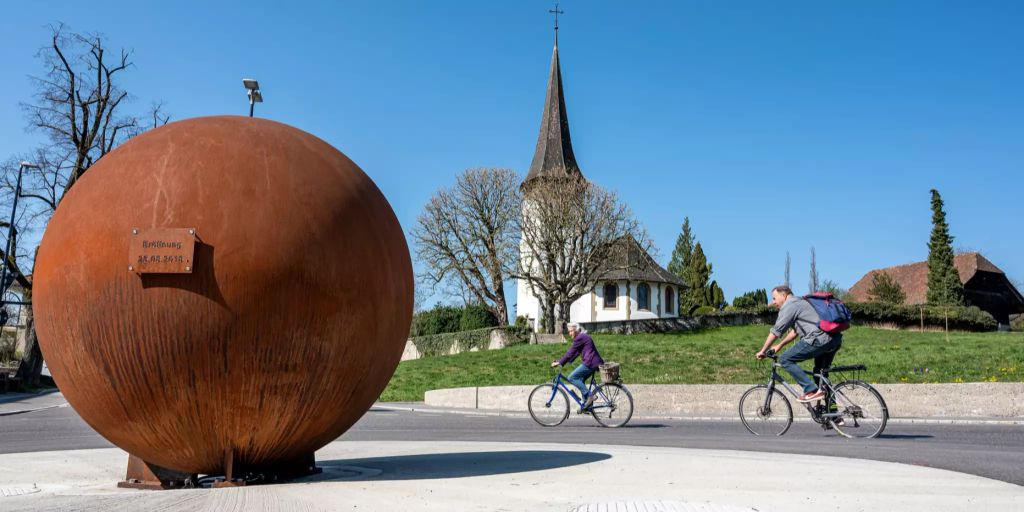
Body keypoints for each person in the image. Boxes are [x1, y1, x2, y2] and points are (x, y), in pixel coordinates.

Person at [756, 285, 842, 402]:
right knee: (820, 375)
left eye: (774, 298)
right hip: (833, 339)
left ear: (784, 295)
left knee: (785, 359)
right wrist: (779, 345)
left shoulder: (790, 305)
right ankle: (834, 416)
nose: (773, 302)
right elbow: (795, 332)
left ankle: (810, 390)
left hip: (818, 339)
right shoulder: (801, 302)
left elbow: (776, 331)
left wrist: (763, 351)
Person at [551, 322, 605, 409]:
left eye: (571, 331)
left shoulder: (580, 337)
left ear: (576, 330)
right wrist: (560, 361)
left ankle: (589, 396)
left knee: (571, 377)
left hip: (590, 362)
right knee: (580, 380)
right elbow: (575, 353)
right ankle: (587, 406)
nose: (569, 334)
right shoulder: (582, 337)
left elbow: (570, 353)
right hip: (593, 362)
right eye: (569, 332)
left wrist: (560, 363)